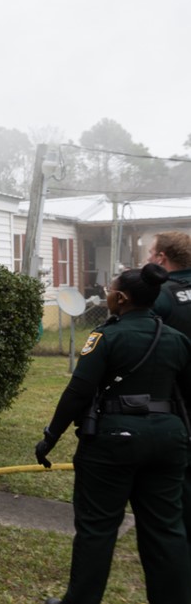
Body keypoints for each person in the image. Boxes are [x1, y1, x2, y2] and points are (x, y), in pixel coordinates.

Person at [35, 263, 191, 604]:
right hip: (168, 441)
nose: (106, 295)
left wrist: (51, 436)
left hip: (112, 443)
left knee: (98, 528)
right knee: (166, 529)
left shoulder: (106, 336)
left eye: (109, 291)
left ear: (120, 298)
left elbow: (78, 392)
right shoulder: (177, 340)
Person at [145, 231, 191, 550]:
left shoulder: (161, 295)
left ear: (162, 259)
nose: (148, 258)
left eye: (151, 253)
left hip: (178, 400)